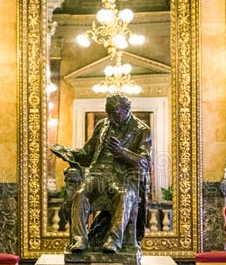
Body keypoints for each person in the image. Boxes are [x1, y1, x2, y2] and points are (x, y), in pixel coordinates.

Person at [51, 94, 152, 254]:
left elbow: (145, 162)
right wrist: (67, 152)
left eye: (116, 114)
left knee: (123, 194)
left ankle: (114, 239)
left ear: (127, 110)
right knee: (80, 193)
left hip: (122, 177)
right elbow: (87, 153)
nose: (112, 118)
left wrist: (121, 152)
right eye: (109, 113)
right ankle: (80, 239)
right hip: (96, 174)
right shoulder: (102, 125)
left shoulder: (141, 130)